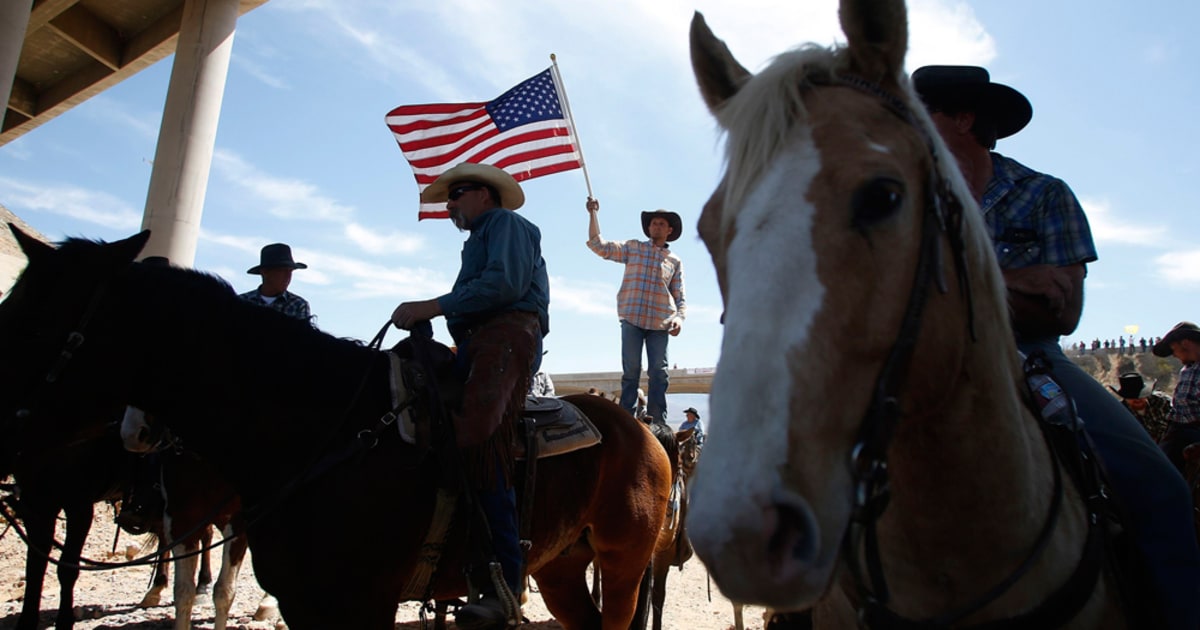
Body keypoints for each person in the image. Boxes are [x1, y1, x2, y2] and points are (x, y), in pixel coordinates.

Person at [913, 65, 1200, 629]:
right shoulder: (895, 197)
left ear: (962, 119)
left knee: (1159, 490)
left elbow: (1063, 313)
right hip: (913, 361)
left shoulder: (1043, 194)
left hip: (1030, 358)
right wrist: (1011, 281)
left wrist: (939, 284)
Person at [390, 162, 548, 630]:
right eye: (449, 197)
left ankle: (503, 583)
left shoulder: (505, 223)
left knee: (480, 438)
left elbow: (504, 285)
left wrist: (432, 306)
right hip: (479, 341)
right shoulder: (476, 238)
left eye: (456, 194)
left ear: (484, 194)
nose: (450, 204)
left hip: (508, 336)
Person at [585, 198, 686, 424]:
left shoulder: (674, 261)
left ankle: (658, 423)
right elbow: (598, 245)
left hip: (660, 323)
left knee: (659, 372)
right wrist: (593, 214)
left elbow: (680, 297)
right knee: (631, 371)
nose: (656, 226)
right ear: (648, 228)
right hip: (632, 318)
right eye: (653, 223)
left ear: (669, 230)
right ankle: (626, 421)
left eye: (661, 224)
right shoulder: (633, 248)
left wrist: (679, 318)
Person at [1153, 322, 1200, 476]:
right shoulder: (1187, 370)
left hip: (1192, 435)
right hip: (1176, 434)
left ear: (1185, 343)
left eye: (1174, 349)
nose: (1174, 355)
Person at [239, 243, 313, 324]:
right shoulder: (240, 303)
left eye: (290, 271)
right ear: (265, 272)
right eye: (283, 270)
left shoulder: (298, 305)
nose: (288, 276)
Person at [1111, 372, 1172, 444]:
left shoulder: (1162, 402)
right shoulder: (1120, 413)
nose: (1137, 400)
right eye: (1132, 397)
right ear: (1124, 397)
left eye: (1141, 395)